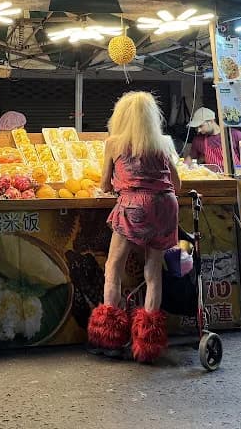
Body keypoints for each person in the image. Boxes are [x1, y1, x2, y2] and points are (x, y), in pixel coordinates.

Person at [86, 92, 181, 363]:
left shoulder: (114, 143)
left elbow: (105, 184)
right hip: (166, 205)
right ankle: (148, 344)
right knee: (153, 271)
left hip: (133, 206)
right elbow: (177, 183)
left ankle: (109, 337)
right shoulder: (162, 143)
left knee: (113, 266)